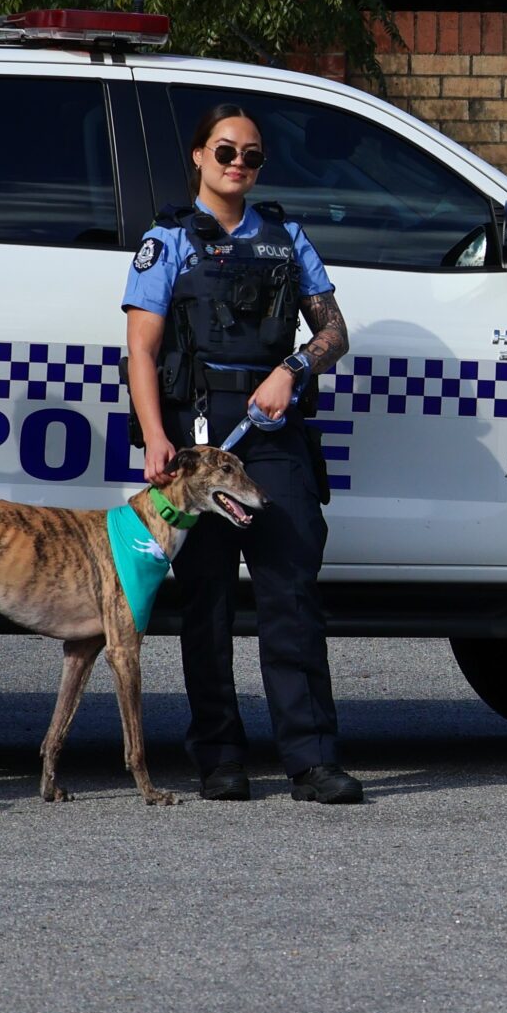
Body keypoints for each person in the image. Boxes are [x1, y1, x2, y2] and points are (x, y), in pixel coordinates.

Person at [123, 103, 363, 805]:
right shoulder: (166, 240)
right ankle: (219, 755)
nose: (238, 164)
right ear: (198, 154)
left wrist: (293, 368)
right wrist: (155, 436)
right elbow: (141, 349)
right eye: (225, 151)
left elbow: (334, 331)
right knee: (208, 602)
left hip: (271, 429)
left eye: (251, 156)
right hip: (197, 439)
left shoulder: (286, 237)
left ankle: (312, 758)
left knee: (290, 592)